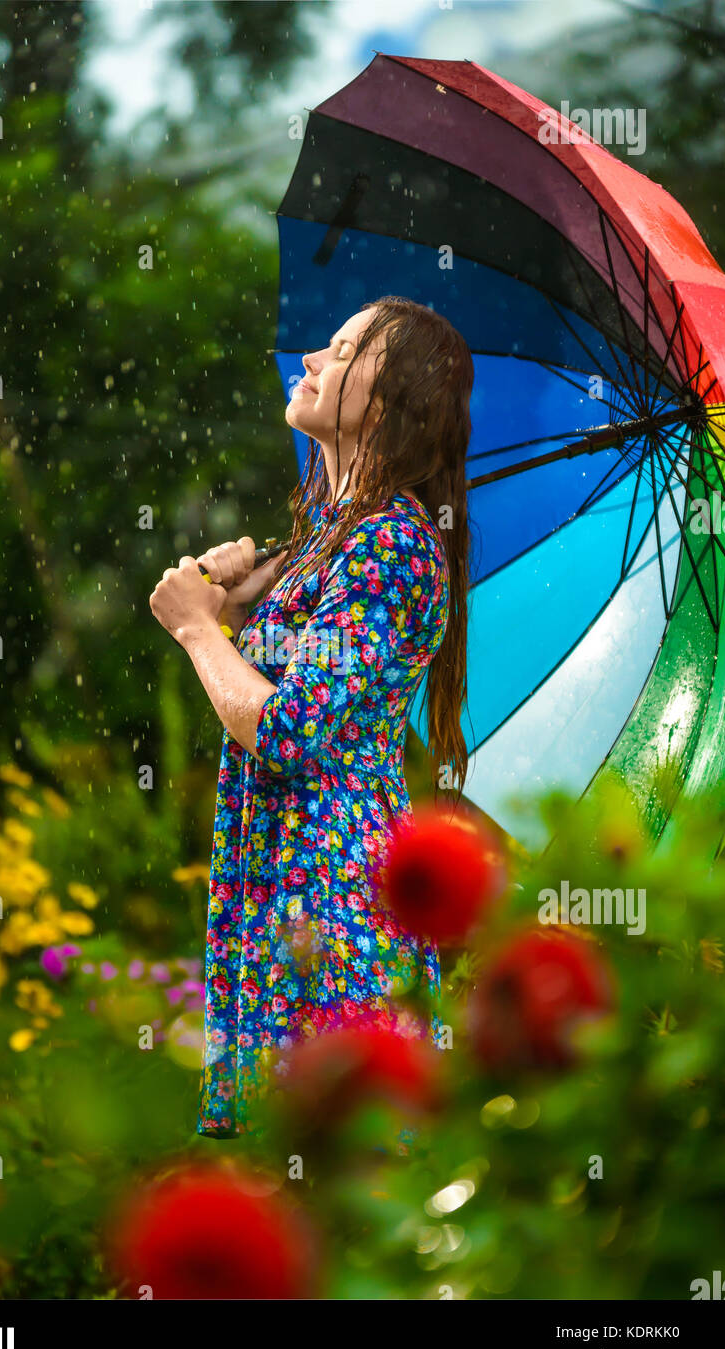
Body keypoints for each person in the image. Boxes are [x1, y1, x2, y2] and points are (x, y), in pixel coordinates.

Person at [149, 295, 473, 1136]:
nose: (312, 362)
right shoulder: (337, 540)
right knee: (289, 1183)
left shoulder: (388, 546)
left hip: (328, 906)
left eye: (340, 351)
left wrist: (193, 629)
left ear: (393, 397)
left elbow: (289, 730)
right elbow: (273, 695)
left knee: (328, 1184)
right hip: (284, 896)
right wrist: (232, 610)